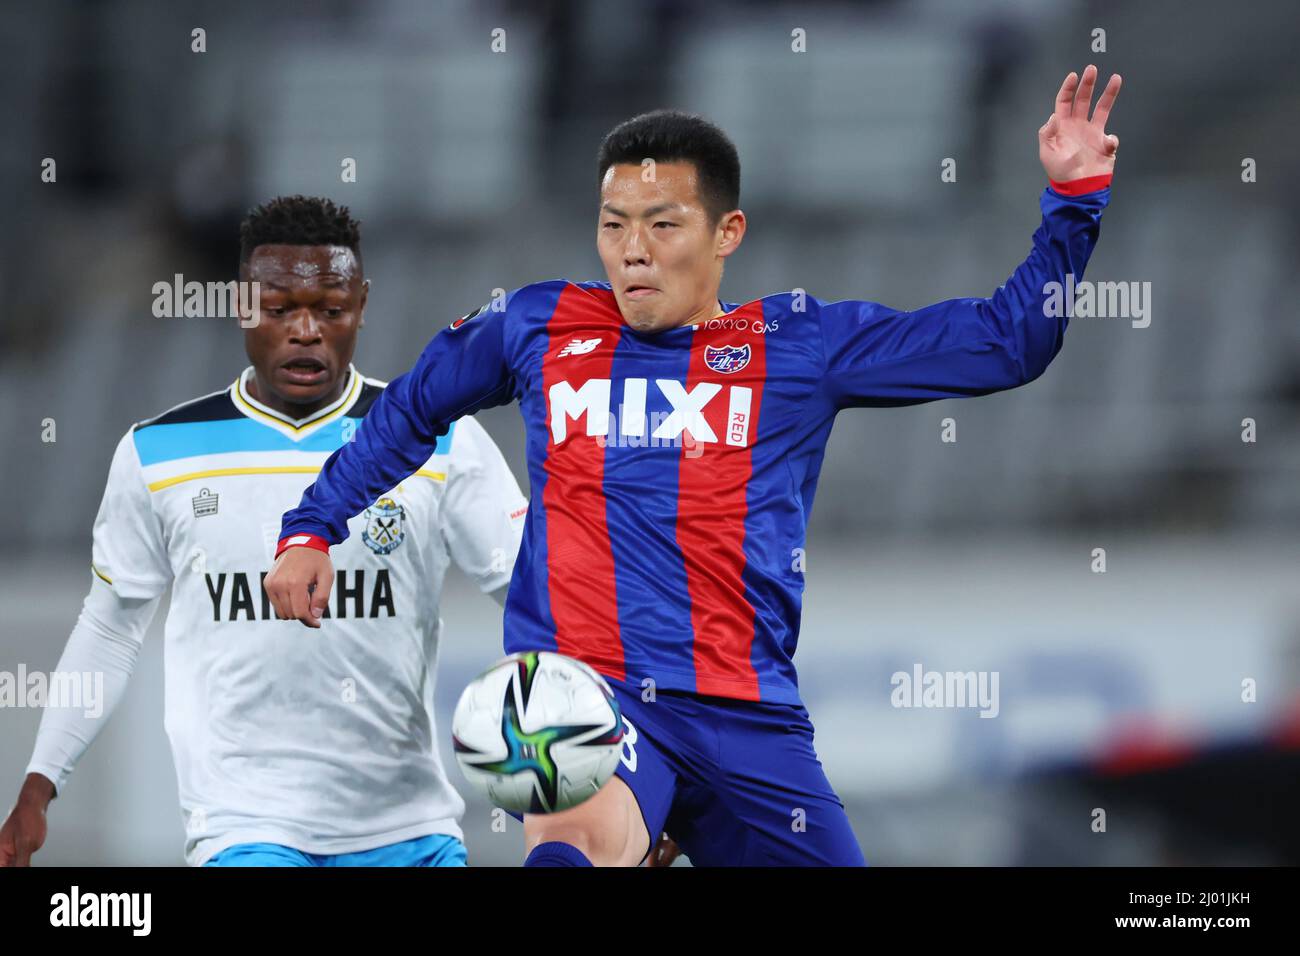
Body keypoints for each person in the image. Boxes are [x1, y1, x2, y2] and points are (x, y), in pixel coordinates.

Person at [266, 67, 1122, 866]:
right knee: (574, 837)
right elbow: (412, 408)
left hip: (749, 718)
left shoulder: (798, 345)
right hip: (588, 690)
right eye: (613, 224)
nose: (632, 249)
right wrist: (313, 523)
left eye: (662, 224)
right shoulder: (536, 326)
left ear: (726, 234)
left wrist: (1073, 200)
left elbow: (1010, 341)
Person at [0, 196, 528, 867]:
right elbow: (110, 628)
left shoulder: (444, 440)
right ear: (241, 306)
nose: (305, 330)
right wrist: (40, 786)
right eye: (279, 309)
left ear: (362, 305)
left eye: (331, 309)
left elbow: (533, 595)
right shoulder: (160, 452)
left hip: (412, 827)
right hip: (244, 827)